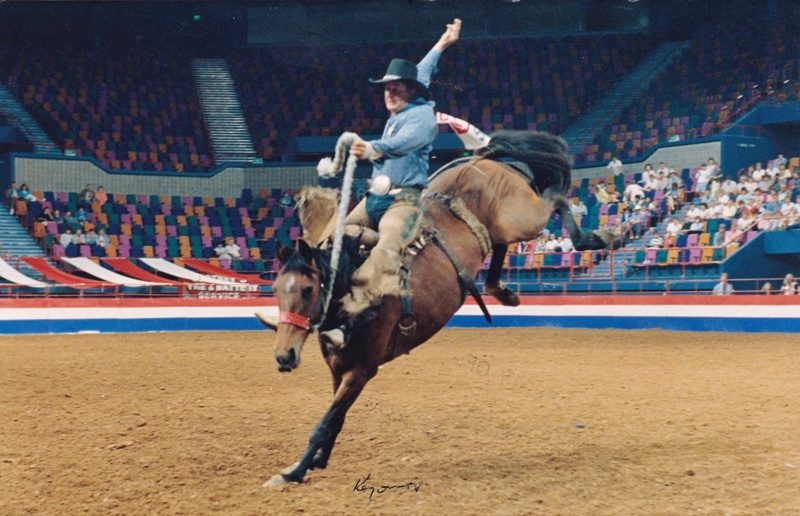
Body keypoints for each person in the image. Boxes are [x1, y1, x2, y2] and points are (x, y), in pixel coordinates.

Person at [322, 18, 462, 349]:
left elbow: (407, 142)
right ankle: (316, 309)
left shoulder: (424, 119)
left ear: (412, 92)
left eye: (396, 87)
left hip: (405, 201)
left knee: (384, 252)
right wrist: (442, 43)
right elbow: (422, 71)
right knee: (330, 238)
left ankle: (348, 322)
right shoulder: (404, 103)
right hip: (374, 199)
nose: (389, 92)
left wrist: (374, 148)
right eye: (386, 87)